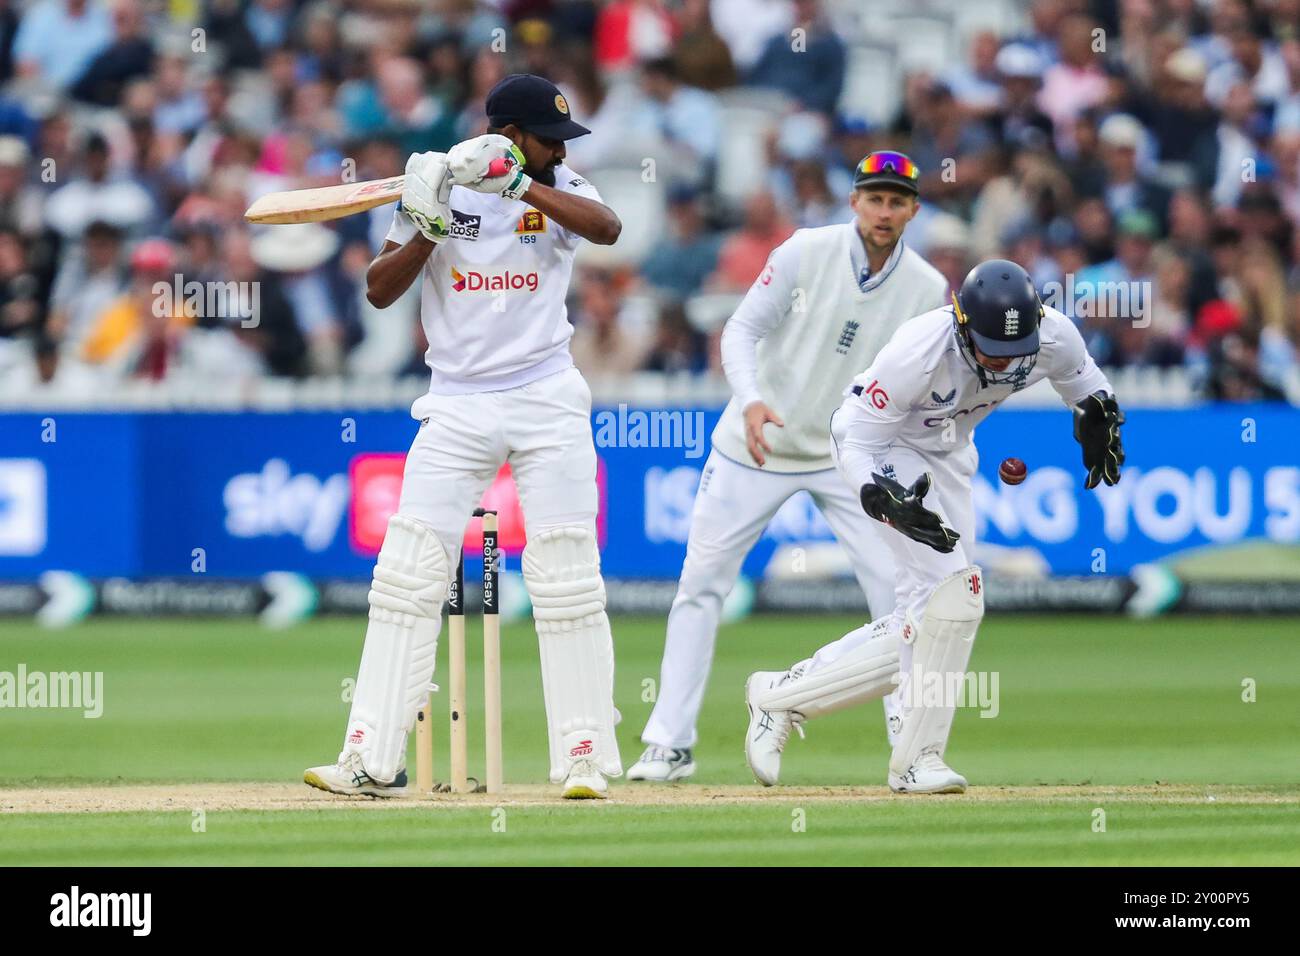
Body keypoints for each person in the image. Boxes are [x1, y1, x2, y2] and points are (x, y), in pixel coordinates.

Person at [304, 74, 624, 800]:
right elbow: (380, 290)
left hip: (547, 393)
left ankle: (583, 755)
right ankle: (370, 759)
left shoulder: (559, 183)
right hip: (454, 403)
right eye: (547, 138)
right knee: (407, 576)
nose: (558, 149)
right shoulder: (434, 181)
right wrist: (429, 225)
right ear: (511, 133)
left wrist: (522, 189)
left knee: (567, 575)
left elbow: (608, 231)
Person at [743, 260, 1125, 792]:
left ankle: (781, 696)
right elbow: (856, 437)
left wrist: (1098, 416)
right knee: (955, 592)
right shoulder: (919, 350)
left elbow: (1086, 383)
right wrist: (880, 497)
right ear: (962, 324)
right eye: (991, 348)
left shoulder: (1051, 335)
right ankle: (917, 759)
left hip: (949, 452)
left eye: (1017, 351)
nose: (1005, 363)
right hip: (882, 447)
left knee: (931, 613)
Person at [627, 152, 948, 782]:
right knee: (701, 586)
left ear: (914, 209)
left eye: (897, 201)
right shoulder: (805, 251)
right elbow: (741, 331)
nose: (884, 211)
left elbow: (917, 389)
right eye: (874, 198)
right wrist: (750, 400)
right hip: (757, 443)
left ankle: (911, 751)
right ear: (854, 201)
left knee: (900, 595)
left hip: (846, 455)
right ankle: (669, 744)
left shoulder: (927, 290)